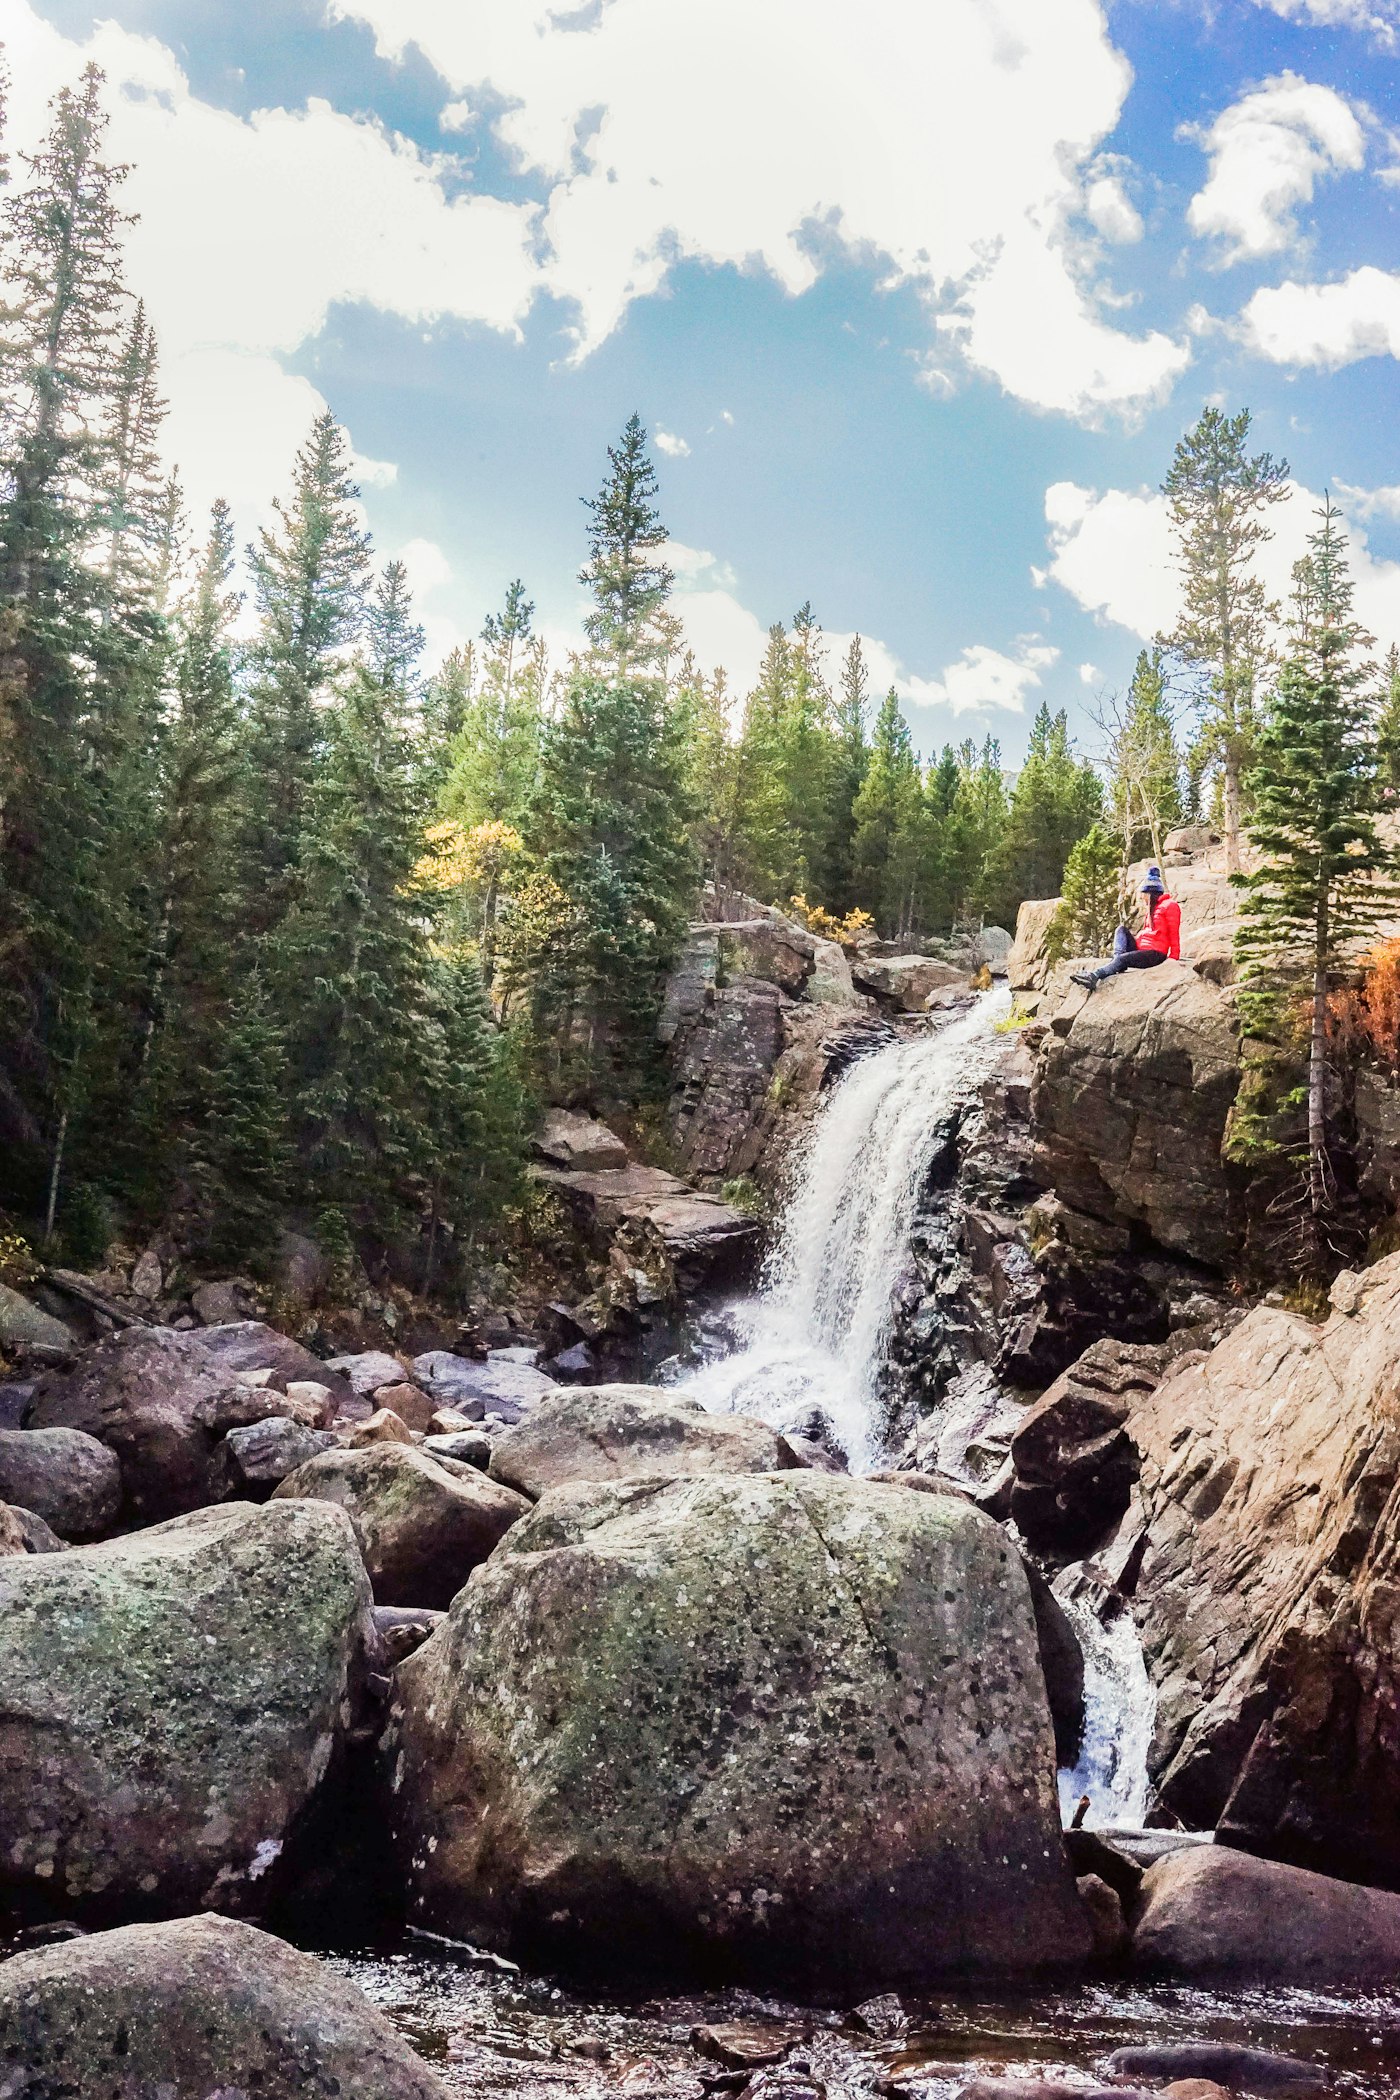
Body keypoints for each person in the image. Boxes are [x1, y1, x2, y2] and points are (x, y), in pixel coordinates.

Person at [1070, 866, 1181, 992]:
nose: (1142, 897)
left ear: (1151, 893)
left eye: (1144, 894)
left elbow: (1174, 932)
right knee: (1121, 929)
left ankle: (1095, 976)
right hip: (1142, 949)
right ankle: (1117, 961)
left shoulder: (1170, 906)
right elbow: (1146, 932)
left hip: (1155, 953)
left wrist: (1174, 957)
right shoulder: (1152, 908)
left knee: (1123, 959)